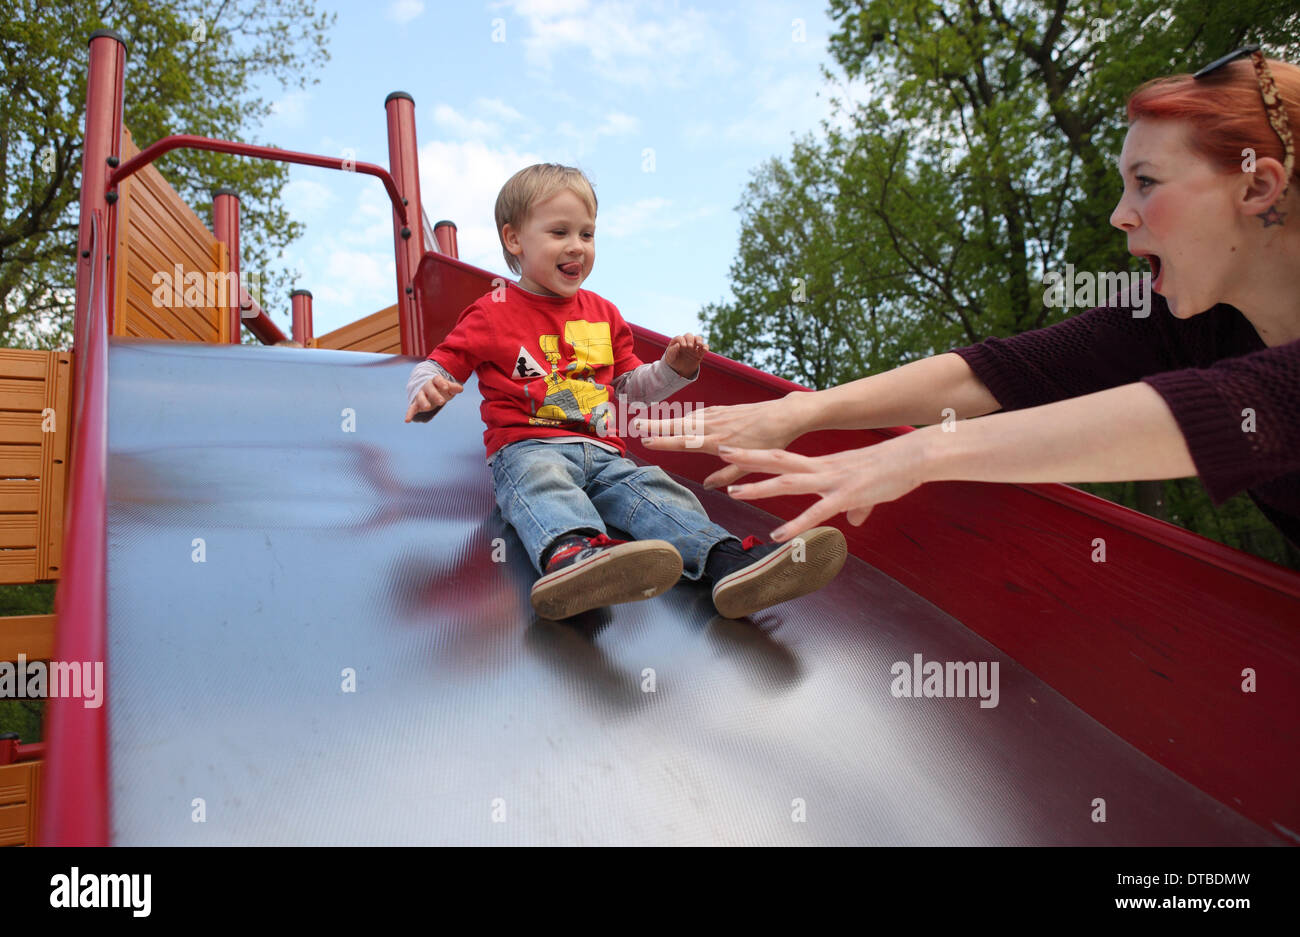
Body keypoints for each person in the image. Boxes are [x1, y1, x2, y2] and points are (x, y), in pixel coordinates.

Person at [636, 49, 1300, 553]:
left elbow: (1219, 412)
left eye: (1146, 183)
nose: (1120, 215)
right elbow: (1000, 370)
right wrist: (806, 409)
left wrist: (916, 455)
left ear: (1256, 186)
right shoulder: (1195, 318)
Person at [404, 164, 847, 620]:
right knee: (544, 484)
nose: (577, 245)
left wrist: (674, 369)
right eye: (559, 232)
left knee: (655, 491)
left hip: (605, 453)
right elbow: (439, 362)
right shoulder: (493, 311)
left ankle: (726, 561)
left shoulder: (603, 312)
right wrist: (428, 389)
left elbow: (631, 390)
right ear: (515, 240)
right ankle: (572, 556)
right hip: (528, 445)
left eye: (588, 234)